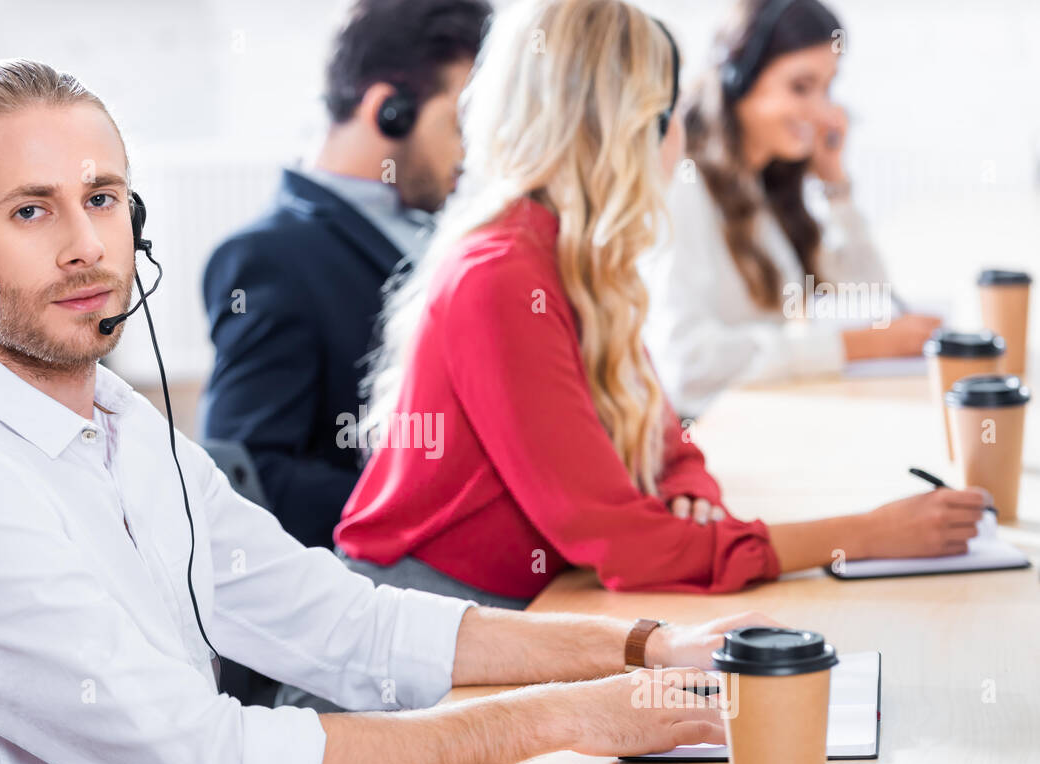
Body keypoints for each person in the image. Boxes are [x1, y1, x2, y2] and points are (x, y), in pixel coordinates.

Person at [0, 57, 774, 764]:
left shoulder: (123, 428)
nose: (86, 246)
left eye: (102, 199)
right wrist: (564, 716)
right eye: (30, 210)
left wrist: (644, 648)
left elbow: (347, 624)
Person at [334, 0, 987, 607]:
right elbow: (624, 544)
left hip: (532, 599)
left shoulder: (578, 263)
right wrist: (867, 534)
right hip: (428, 618)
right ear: (633, 131)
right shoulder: (502, 276)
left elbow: (670, 446)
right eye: (668, 115)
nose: (682, 134)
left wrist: (687, 492)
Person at [199, 0, 491, 550]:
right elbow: (249, 473)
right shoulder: (270, 258)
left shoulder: (446, 223)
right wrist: (440, 508)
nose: (471, 152)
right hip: (388, 572)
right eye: (460, 124)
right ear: (389, 110)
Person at [640, 0, 941, 420]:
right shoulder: (686, 187)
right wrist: (858, 345)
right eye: (800, 87)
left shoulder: (765, 184)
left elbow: (868, 291)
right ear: (738, 77)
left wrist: (835, 184)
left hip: (764, 417)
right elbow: (687, 362)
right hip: (710, 431)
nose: (822, 112)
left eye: (827, 88)